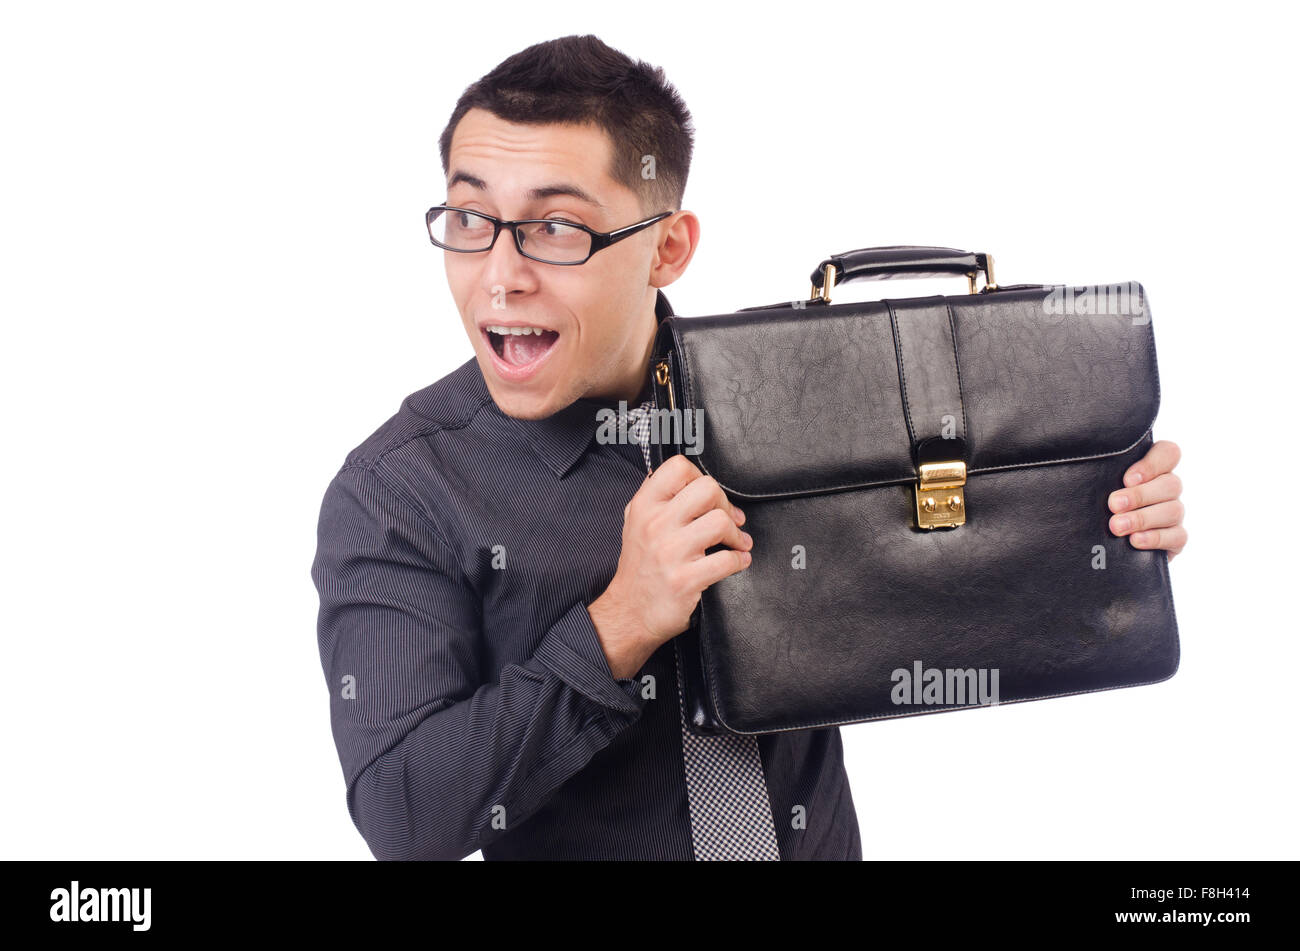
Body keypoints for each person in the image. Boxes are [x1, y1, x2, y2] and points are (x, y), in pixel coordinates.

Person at [310, 34, 1189, 861]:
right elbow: (400, 812)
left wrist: (1084, 517)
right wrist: (619, 624)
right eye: (469, 220)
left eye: (556, 229)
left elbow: (924, 577)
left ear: (668, 248)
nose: (499, 273)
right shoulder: (400, 492)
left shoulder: (791, 395)